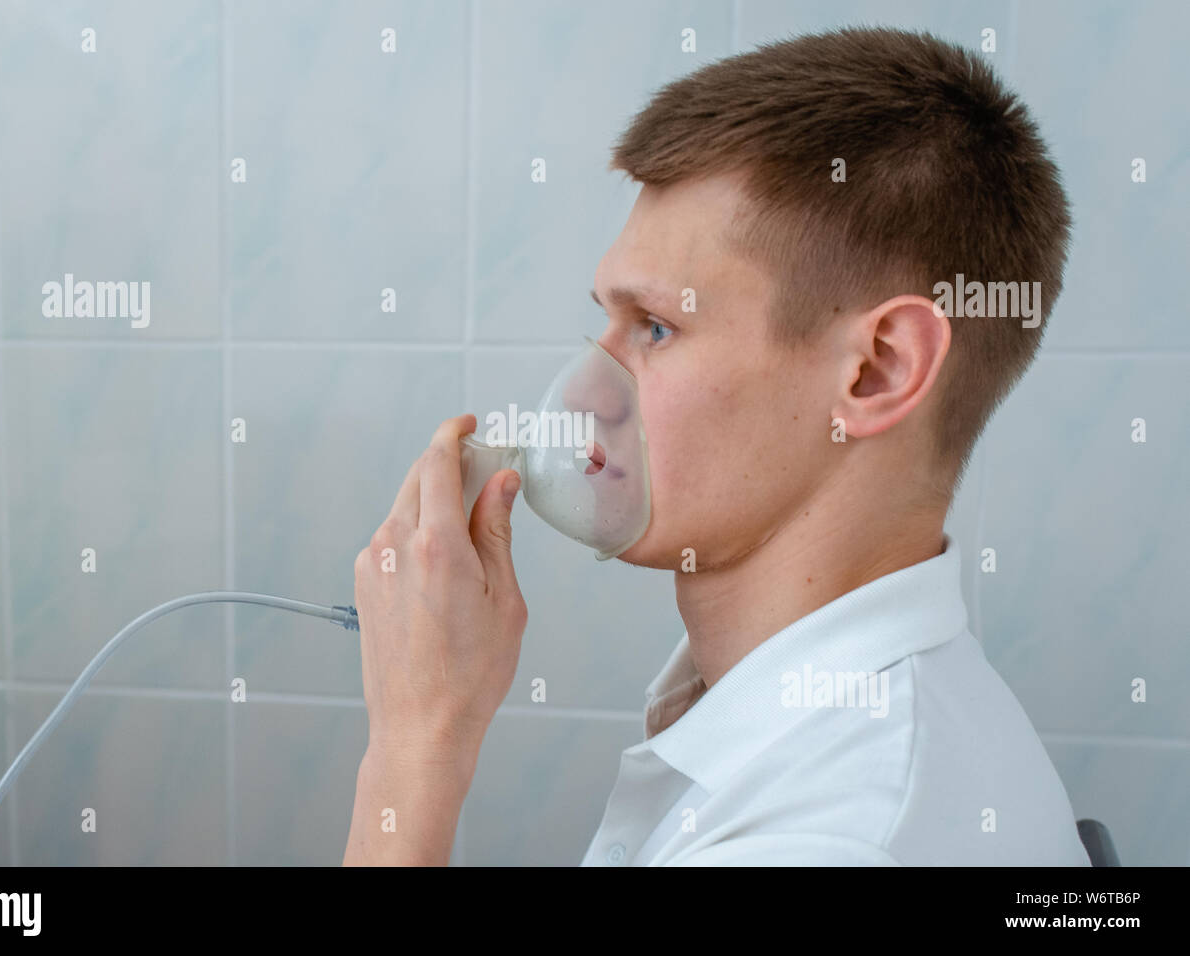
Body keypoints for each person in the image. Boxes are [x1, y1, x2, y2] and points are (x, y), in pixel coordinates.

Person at [343, 26, 1091, 866]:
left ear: (879, 370)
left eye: (657, 327)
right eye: (609, 320)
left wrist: (415, 748)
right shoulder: (817, 721)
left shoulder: (826, 841)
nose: (586, 396)